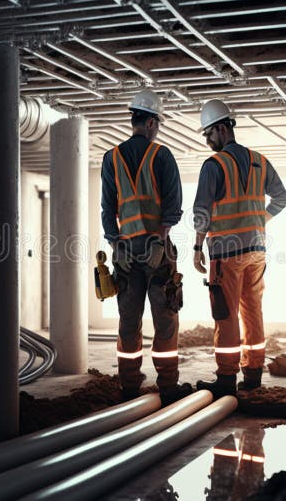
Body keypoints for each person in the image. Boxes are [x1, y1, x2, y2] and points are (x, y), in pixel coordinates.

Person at [100, 89, 193, 405]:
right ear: (152, 122)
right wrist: (161, 238)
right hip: (157, 252)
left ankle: (129, 387)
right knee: (165, 320)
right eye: (158, 124)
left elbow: (107, 209)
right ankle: (167, 387)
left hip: (126, 254)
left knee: (128, 322)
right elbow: (173, 206)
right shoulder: (162, 155)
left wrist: (115, 245)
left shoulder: (111, 158)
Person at [192, 99, 286, 397]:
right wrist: (259, 221)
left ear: (222, 129)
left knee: (225, 314)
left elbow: (202, 211)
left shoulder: (214, 165)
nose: (208, 140)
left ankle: (226, 378)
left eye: (209, 133)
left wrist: (197, 246)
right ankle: (253, 374)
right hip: (257, 251)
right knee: (252, 310)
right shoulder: (260, 161)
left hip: (226, 255)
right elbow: (281, 198)